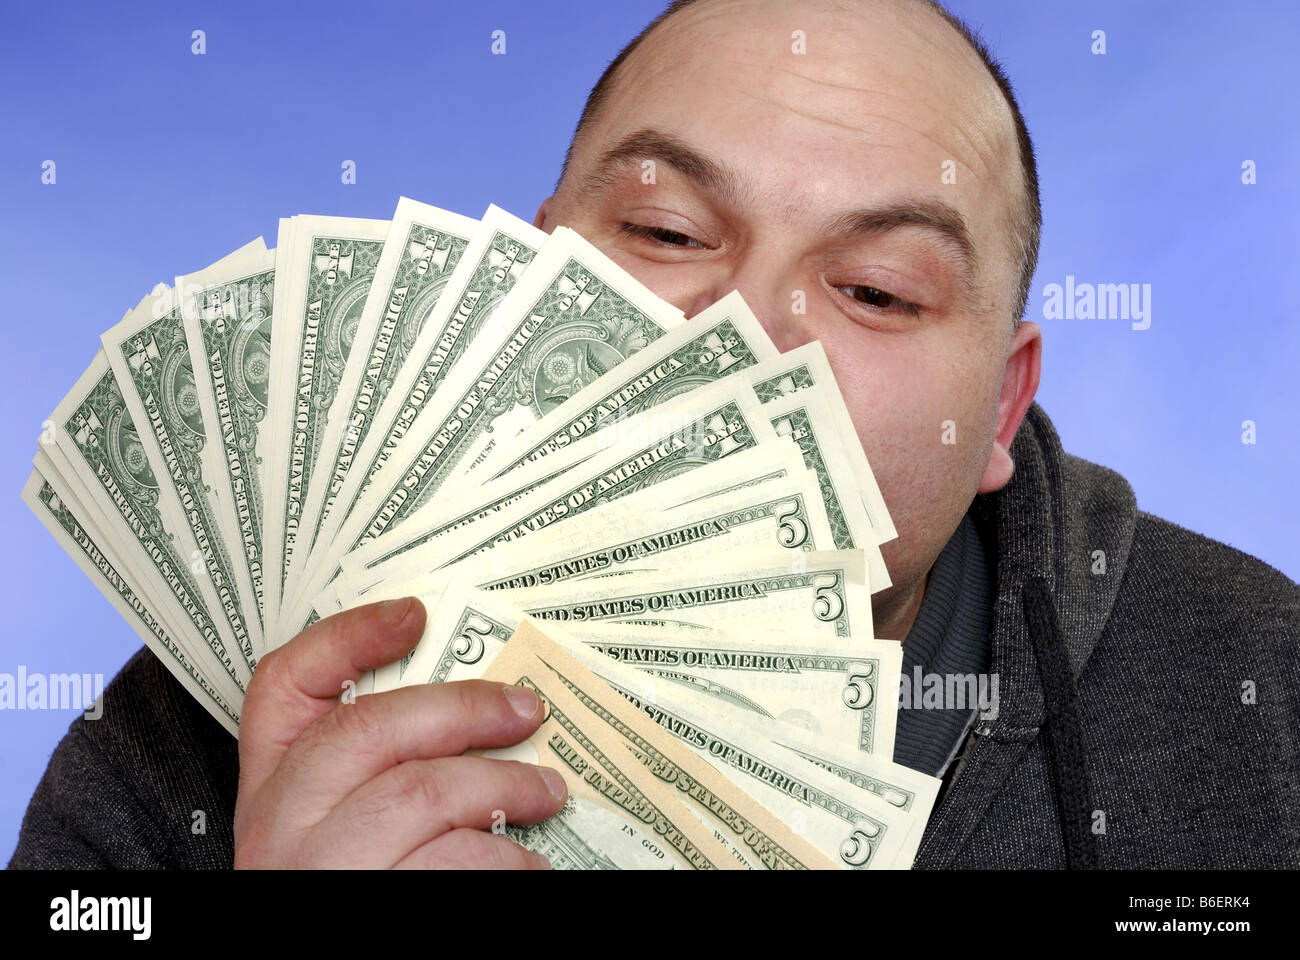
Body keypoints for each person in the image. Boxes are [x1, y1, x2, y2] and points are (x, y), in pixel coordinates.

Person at [11, 0, 1298, 870]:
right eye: (668, 233)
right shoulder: (204, 717)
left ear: (999, 412)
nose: (742, 338)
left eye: (877, 291)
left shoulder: (1262, 694)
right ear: (519, 278)